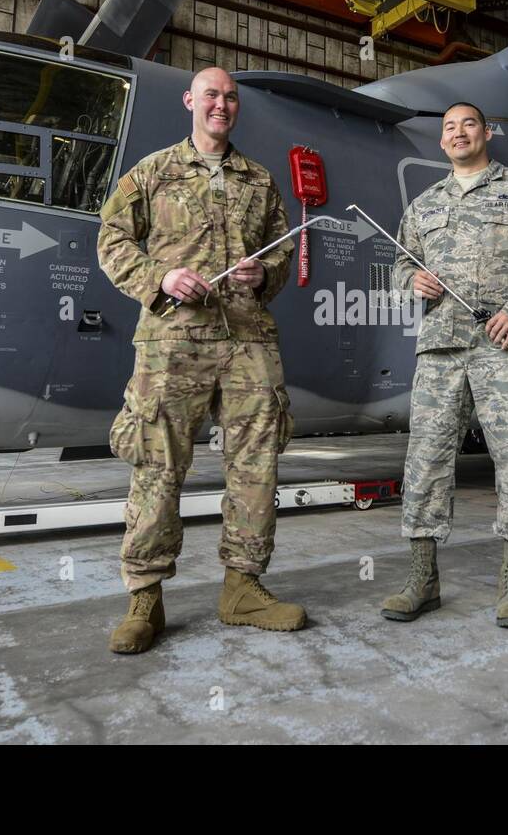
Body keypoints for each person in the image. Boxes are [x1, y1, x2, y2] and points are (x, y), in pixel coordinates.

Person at [97, 66, 303, 655]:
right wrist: (160, 277)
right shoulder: (155, 171)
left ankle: (243, 586)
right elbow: (111, 239)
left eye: (230, 97)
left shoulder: (259, 180)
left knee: (256, 464)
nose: (222, 104)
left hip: (248, 339)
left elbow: (283, 251)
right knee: (158, 465)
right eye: (211, 94)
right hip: (172, 340)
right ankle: (145, 599)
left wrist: (266, 274)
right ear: (190, 101)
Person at [382, 102, 508, 628]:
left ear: (486, 132)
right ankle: (423, 579)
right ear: (442, 142)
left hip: (506, 347)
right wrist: (409, 282)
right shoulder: (424, 204)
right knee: (425, 461)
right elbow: (401, 263)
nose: (458, 132)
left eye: (469, 123)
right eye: (449, 127)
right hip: (442, 347)